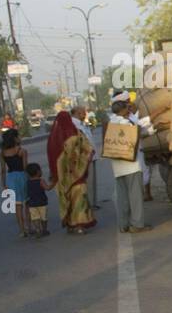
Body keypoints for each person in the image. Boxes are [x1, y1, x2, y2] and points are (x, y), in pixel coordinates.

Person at [47, 110, 97, 234]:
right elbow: (88, 149)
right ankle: (79, 225)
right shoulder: (77, 134)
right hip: (77, 173)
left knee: (66, 198)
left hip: (62, 176)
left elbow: (52, 158)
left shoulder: (52, 140)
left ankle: (70, 224)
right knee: (79, 198)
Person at [107, 99, 152, 234]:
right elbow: (137, 135)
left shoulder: (110, 122)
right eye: (127, 108)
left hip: (118, 165)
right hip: (131, 164)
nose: (129, 110)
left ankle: (123, 224)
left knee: (122, 197)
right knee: (135, 196)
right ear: (123, 110)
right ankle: (137, 225)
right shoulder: (128, 123)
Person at [0, 128, 31, 237]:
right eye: (18, 136)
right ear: (14, 138)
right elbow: (25, 167)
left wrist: (3, 184)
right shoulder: (22, 151)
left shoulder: (3, 153)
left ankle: (22, 230)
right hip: (22, 176)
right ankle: (30, 227)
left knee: (17, 206)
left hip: (11, 178)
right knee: (27, 203)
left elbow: (3, 170)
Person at [70, 104, 100, 208]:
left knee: (92, 181)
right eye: (83, 112)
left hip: (92, 156)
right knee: (88, 182)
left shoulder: (82, 124)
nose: (85, 114)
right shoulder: (74, 125)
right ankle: (89, 205)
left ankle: (92, 203)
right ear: (77, 113)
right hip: (85, 158)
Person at [24, 162, 52, 237]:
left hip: (32, 204)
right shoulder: (41, 181)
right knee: (44, 218)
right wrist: (53, 183)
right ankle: (44, 230)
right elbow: (47, 188)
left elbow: (27, 193)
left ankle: (37, 230)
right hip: (42, 202)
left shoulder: (28, 182)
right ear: (38, 172)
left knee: (35, 218)